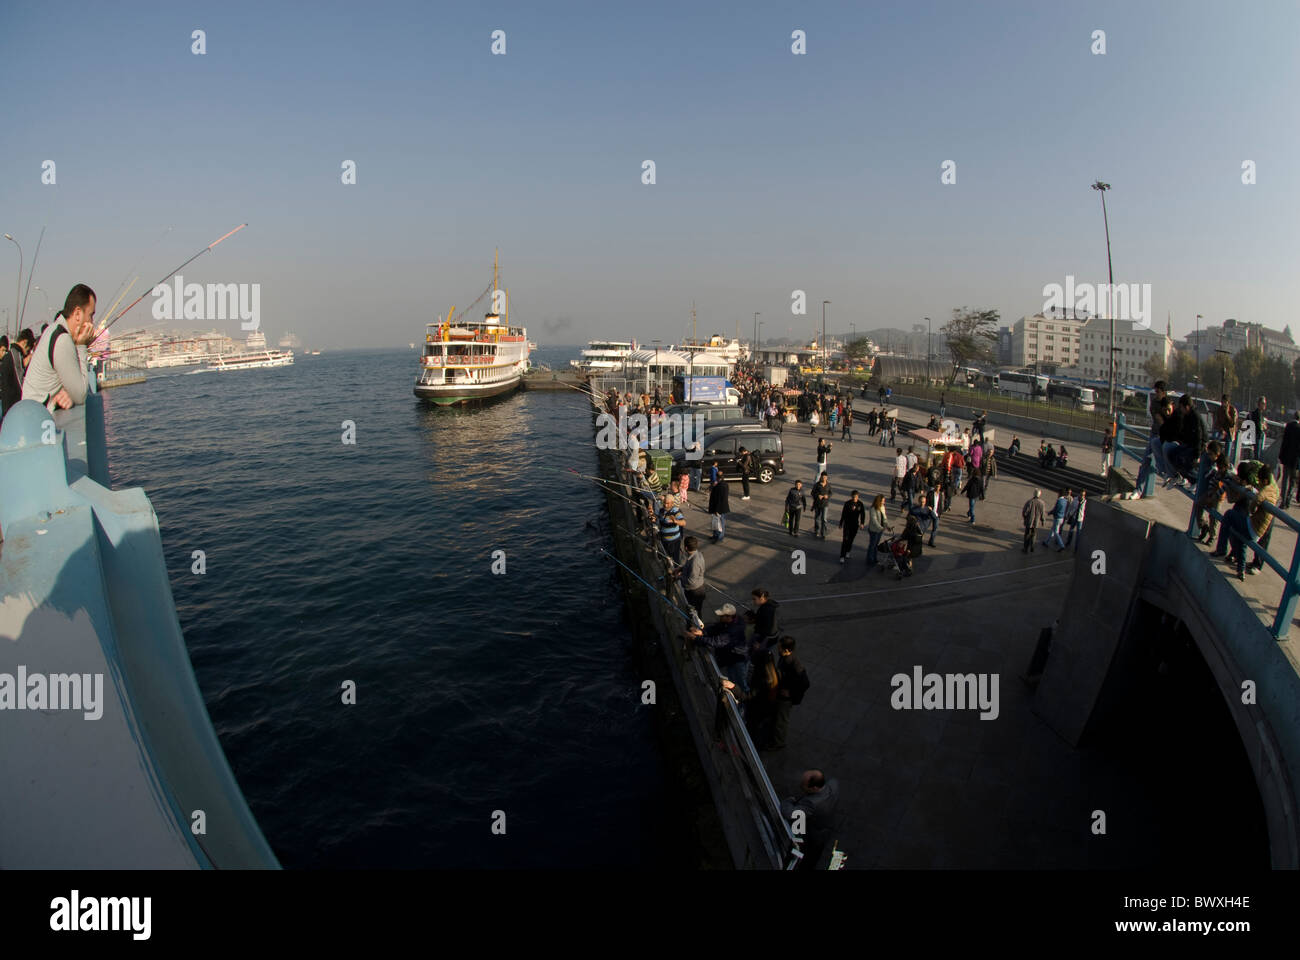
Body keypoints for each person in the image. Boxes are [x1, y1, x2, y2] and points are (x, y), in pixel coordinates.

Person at [22, 286, 98, 411]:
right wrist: (82, 346)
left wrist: (68, 392)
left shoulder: (55, 331)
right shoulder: (62, 340)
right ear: (78, 313)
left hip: (32, 415)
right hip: (38, 420)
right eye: (91, 315)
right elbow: (81, 395)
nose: (92, 321)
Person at [781, 769, 839, 869]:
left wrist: (789, 801)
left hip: (812, 836)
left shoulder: (811, 804)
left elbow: (789, 813)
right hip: (825, 830)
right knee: (815, 855)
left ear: (815, 788)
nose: (800, 786)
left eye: (803, 785)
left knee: (805, 855)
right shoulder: (833, 784)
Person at [687, 604, 751, 693]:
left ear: (728, 617)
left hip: (738, 659)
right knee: (732, 679)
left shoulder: (733, 630)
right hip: (729, 657)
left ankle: (744, 699)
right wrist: (702, 632)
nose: (719, 617)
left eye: (722, 616)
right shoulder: (729, 622)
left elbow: (716, 642)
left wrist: (696, 638)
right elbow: (716, 628)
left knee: (741, 683)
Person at [770, 637, 810, 750]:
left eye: (779, 648)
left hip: (786, 698)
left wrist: (790, 692)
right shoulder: (784, 658)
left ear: (787, 650)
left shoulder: (794, 664)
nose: (778, 650)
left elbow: (805, 683)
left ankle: (779, 742)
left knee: (781, 721)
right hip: (781, 693)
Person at [0, 328, 35, 419]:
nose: (27, 352)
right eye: (28, 349)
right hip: (12, 408)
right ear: (24, 342)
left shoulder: (12, 355)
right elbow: (20, 383)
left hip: (9, 408)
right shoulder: (15, 355)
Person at [677, 536, 708, 616]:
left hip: (695, 592)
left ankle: (695, 626)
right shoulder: (696, 554)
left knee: (695, 612)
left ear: (686, 548)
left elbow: (691, 581)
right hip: (697, 589)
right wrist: (681, 569)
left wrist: (679, 577)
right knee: (696, 610)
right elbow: (689, 567)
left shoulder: (695, 562)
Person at [838, 489, 866, 563]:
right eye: (853, 497)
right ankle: (842, 556)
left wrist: (862, 523)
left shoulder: (860, 504)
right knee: (845, 540)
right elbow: (843, 514)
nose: (855, 498)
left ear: (858, 496)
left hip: (855, 525)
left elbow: (862, 514)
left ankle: (848, 551)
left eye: (856, 497)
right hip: (847, 524)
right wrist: (841, 523)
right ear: (851, 496)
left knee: (851, 539)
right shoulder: (847, 503)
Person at [657, 494, 686, 562]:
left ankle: (676, 570)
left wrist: (675, 521)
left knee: (675, 559)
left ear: (672, 503)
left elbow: (684, 522)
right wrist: (654, 518)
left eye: (667, 503)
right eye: (664, 502)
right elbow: (659, 521)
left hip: (674, 541)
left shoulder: (675, 511)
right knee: (666, 557)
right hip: (664, 540)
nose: (665, 505)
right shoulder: (661, 510)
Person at [1279, 411, 1300, 509]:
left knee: (1285, 479)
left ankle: (1282, 500)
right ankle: (1288, 499)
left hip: (1286, 458)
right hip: (1295, 461)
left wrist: (1281, 456)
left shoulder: (1288, 426)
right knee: (1292, 481)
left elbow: (1284, 443)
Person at [865, 494, 890, 565]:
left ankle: (874, 558)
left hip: (880, 530)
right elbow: (874, 520)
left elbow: (884, 518)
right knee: (872, 545)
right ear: (878, 501)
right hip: (874, 530)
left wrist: (887, 525)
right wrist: (881, 527)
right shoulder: (873, 508)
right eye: (882, 501)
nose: (884, 502)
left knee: (876, 545)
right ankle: (870, 559)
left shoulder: (882, 507)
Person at [708, 466, 731, 542]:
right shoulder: (721, 484)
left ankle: (719, 537)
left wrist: (717, 509)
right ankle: (715, 535)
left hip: (719, 508)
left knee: (720, 523)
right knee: (715, 522)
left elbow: (721, 499)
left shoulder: (721, 486)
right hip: (717, 507)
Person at [1021, 488, 1046, 554]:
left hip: (1029, 521)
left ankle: (1025, 548)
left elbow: (1025, 512)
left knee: (1027, 535)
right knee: (1034, 534)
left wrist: (1024, 517)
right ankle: (1032, 546)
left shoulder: (1030, 502)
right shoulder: (1042, 503)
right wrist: (1043, 520)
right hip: (1036, 522)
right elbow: (1043, 513)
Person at [811, 472, 832, 539]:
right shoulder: (817, 485)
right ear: (821, 477)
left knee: (824, 519)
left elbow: (830, 493)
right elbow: (812, 493)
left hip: (825, 504)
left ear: (827, 477)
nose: (824, 478)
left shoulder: (828, 485)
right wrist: (817, 496)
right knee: (817, 518)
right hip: (817, 504)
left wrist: (827, 496)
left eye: (825, 477)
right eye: (823, 477)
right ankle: (816, 530)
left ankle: (823, 533)